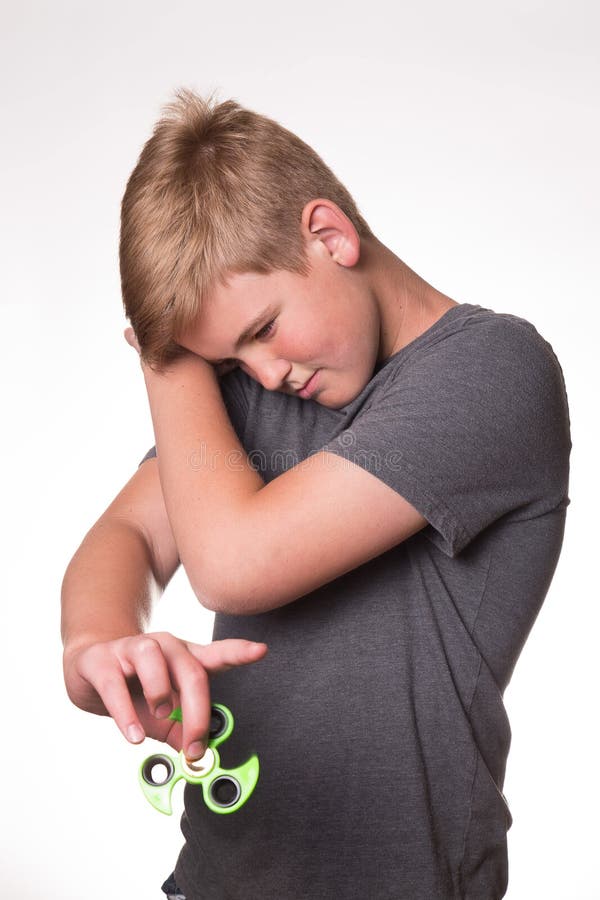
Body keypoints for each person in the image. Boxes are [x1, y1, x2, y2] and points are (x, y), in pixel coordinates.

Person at [61, 88, 571, 900]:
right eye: (227, 361)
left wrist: (166, 359)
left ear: (329, 235)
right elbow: (126, 534)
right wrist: (98, 641)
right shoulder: (262, 394)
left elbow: (233, 564)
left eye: (260, 330)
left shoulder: (492, 373)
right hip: (217, 880)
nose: (264, 374)